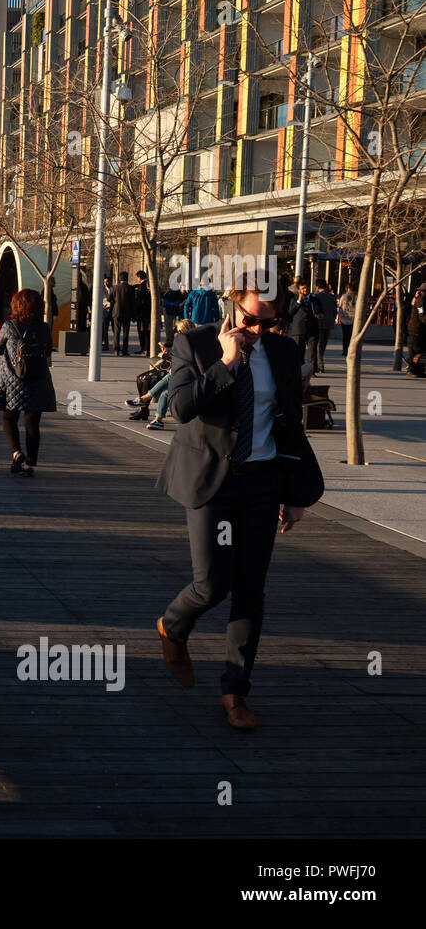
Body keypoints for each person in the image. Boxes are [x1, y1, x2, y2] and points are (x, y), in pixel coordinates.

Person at [156, 288, 322, 731]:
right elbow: (181, 408)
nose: (257, 332)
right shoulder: (195, 344)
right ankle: (173, 627)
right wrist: (226, 362)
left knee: (251, 589)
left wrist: (295, 494)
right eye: (251, 321)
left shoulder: (283, 353)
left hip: (263, 481)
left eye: (268, 324)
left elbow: (288, 423)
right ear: (233, 306)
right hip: (211, 480)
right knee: (211, 585)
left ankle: (235, 692)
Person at [0, 288, 57, 477]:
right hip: (39, 380)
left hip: (14, 381)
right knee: (32, 422)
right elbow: (48, 350)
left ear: (16, 305)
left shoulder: (9, 326)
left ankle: (16, 452)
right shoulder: (45, 327)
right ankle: (30, 464)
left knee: (9, 417)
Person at [126, 319, 195, 429]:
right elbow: (177, 362)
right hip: (181, 375)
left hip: (191, 378)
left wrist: (170, 356)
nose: (178, 334)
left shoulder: (193, 344)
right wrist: (167, 355)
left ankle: (145, 398)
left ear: (187, 330)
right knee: (165, 392)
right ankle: (158, 420)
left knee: (171, 376)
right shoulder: (184, 343)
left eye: (180, 332)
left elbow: (187, 362)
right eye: (177, 332)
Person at [288, 280, 320, 370]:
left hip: (312, 328)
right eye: (303, 288)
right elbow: (290, 312)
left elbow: (320, 311)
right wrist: (298, 302)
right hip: (299, 328)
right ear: (299, 290)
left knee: (312, 352)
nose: (305, 290)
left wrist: (320, 315)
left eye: (307, 288)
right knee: (298, 351)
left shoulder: (315, 299)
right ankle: (299, 369)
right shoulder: (294, 299)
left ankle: (311, 370)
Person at [313, 279, 338, 372]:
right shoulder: (332, 297)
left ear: (317, 287)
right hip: (328, 323)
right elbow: (335, 311)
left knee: (318, 344)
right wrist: (332, 319)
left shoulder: (316, 296)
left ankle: (320, 364)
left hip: (318, 323)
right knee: (323, 344)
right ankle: (320, 362)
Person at [407, 286, 426, 377]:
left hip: (421, 330)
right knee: (414, 351)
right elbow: (421, 315)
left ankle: (420, 370)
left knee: (421, 351)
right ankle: (412, 370)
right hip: (415, 330)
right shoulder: (420, 301)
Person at [114, 272, 134, 355]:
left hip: (116, 312)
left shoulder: (115, 288)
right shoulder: (131, 288)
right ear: (127, 278)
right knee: (126, 332)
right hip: (127, 313)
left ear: (119, 278)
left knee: (116, 332)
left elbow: (109, 298)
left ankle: (116, 350)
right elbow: (133, 302)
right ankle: (125, 350)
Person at [134, 270, 152, 354]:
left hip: (142, 314)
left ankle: (144, 348)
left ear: (139, 277)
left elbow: (139, 301)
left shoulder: (141, 286)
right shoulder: (149, 285)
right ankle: (147, 348)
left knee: (142, 332)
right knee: (147, 332)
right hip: (148, 313)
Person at [337, 283, 356, 356]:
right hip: (353, 319)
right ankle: (350, 350)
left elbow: (340, 306)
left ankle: (345, 350)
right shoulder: (357, 296)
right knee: (351, 336)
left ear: (347, 288)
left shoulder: (343, 296)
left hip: (344, 318)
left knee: (345, 336)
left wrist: (340, 316)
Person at [101, 276, 115, 351]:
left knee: (114, 329)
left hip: (113, 311)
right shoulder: (101, 289)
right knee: (105, 329)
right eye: (104, 282)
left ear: (110, 282)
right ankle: (105, 345)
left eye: (107, 281)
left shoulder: (114, 289)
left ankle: (116, 345)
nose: (106, 283)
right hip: (105, 310)